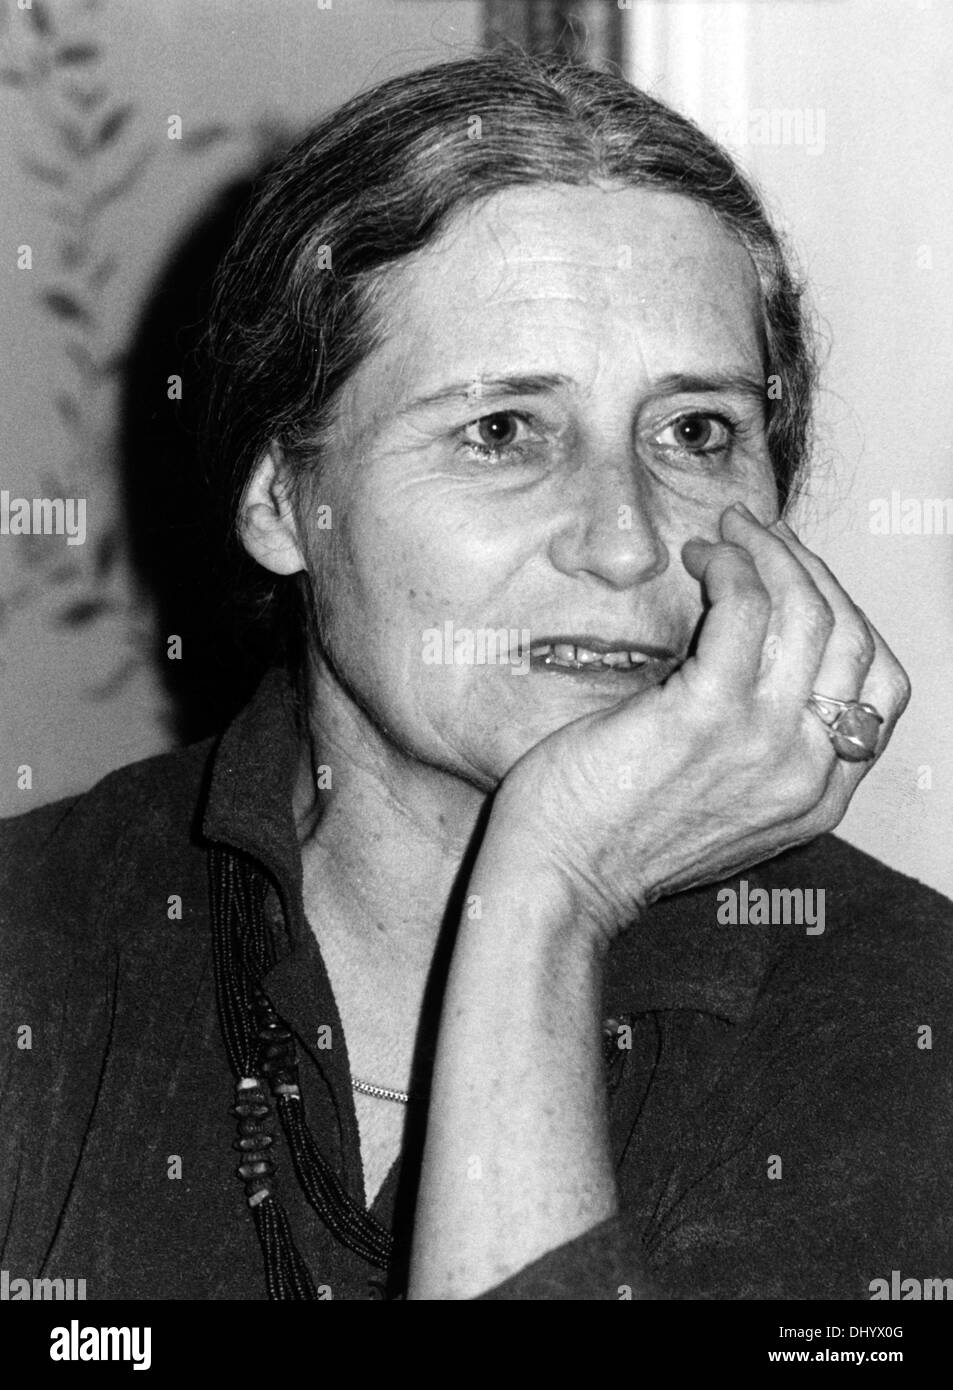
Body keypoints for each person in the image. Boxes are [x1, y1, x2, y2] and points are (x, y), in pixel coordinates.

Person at [1, 51, 950, 1303]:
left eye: (694, 432)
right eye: (501, 431)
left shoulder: (899, 1012)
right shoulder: (37, 950)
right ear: (282, 500)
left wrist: (548, 893)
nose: (625, 540)